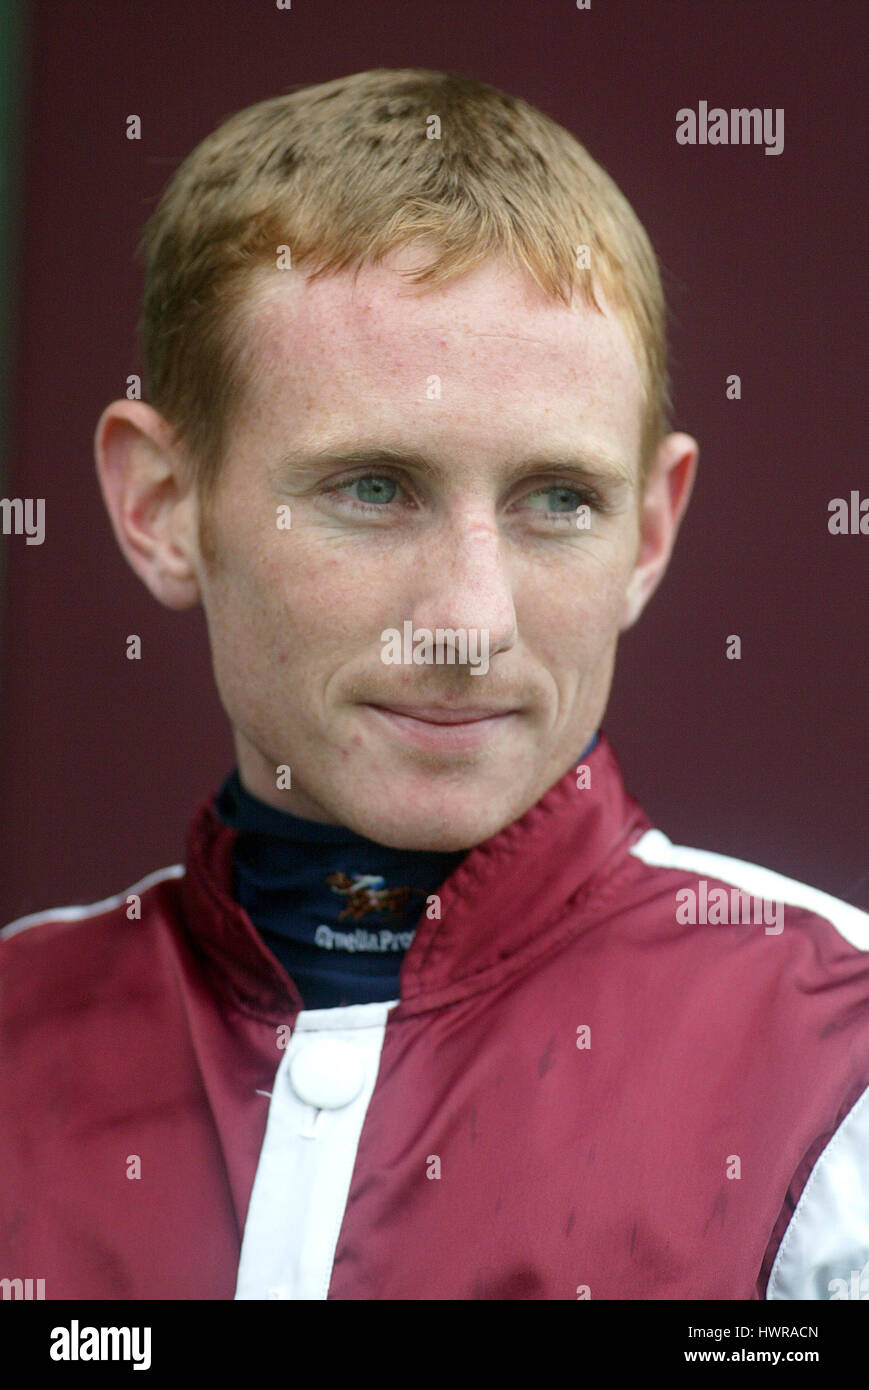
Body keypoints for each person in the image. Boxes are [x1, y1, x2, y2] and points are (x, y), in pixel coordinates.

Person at [2, 67, 867, 1302]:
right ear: (161, 506)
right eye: (372, 487)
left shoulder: (838, 1067)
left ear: (650, 532)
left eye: (558, 501)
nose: (469, 622)